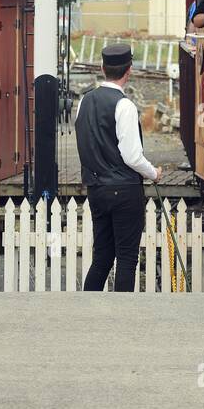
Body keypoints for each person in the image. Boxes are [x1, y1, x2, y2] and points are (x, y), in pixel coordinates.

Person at [75, 43, 162, 291]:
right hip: (124, 190)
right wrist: (153, 173)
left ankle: (87, 308)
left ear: (103, 68)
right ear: (129, 70)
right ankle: (121, 315)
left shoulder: (84, 102)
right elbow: (132, 157)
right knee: (126, 258)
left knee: (102, 255)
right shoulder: (124, 106)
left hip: (96, 188)